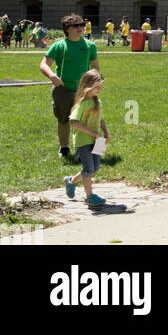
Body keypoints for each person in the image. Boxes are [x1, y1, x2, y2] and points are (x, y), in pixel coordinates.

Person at [40, 13, 99, 160]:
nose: (80, 28)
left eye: (82, 25)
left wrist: (96, 84)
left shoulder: (89, 45)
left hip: (84, 91)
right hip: (63, 90)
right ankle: (64, 148)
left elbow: (95, 68)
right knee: (64, 120)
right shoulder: (59, 46)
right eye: (76, 26)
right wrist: (52, 76)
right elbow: (44, 64)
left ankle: (91, 151)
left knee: (89, 121)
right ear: (67, 29)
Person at [64, 69, 110, 208]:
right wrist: (91, 133)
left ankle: (71, 181)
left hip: (97, 141)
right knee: (89, 168)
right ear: (87, 86)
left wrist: (106, 133)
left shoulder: (98, 102)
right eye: (97, 87)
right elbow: (74, 122)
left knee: (94, 169)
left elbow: (101, 119)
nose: (99, 90)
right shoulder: (82, 103)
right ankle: (90, 197)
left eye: (101, 87)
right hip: (83, 142)